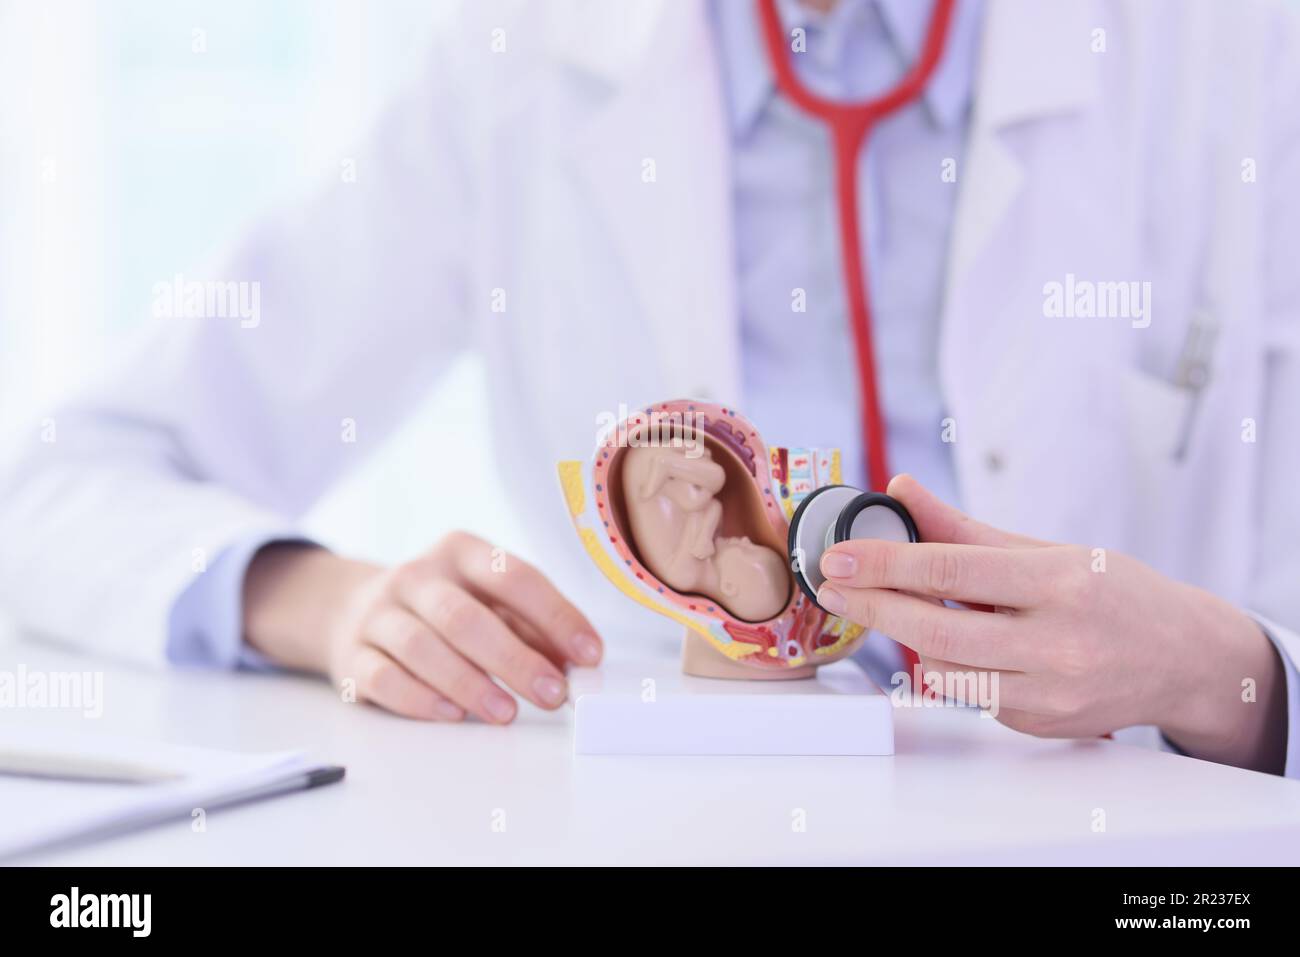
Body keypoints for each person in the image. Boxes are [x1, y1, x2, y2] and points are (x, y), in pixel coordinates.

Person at [1, 0, 1296, 777]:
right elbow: (58, 484)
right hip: (672, 825)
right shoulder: (519, 66)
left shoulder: (1228, 60)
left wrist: (1231, 675)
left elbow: (1251, 672)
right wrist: (330, 602)